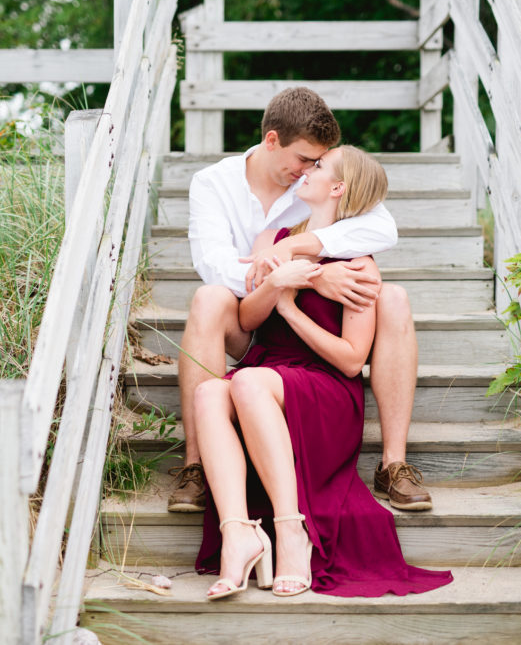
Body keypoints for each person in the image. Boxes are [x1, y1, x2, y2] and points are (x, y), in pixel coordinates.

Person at [192, 145, 453, 599]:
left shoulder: (359, 264)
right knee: (209, 394)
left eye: (318, 167)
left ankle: (291, 530)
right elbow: (249, 321)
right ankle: (238, 534)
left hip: (326, 388)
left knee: (248, 383)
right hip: (270, 369)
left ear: (337, 188)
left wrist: (293, 308)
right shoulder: (271, 240)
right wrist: (275, 282)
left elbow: (353, 360)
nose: (306, 171)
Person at [168, 87, 433, 515]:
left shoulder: (311, 184)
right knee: (207, 297)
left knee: (395, 297)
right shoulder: (214, 183)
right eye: (305, 159)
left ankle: (393, 462)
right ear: (272, 141)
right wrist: (294, 278)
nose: (309, 169)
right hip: (247, 321)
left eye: (318, 162)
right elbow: (215, 264)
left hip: (309, 329)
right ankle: (195, 466)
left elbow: (383, 230)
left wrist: (299, 252)